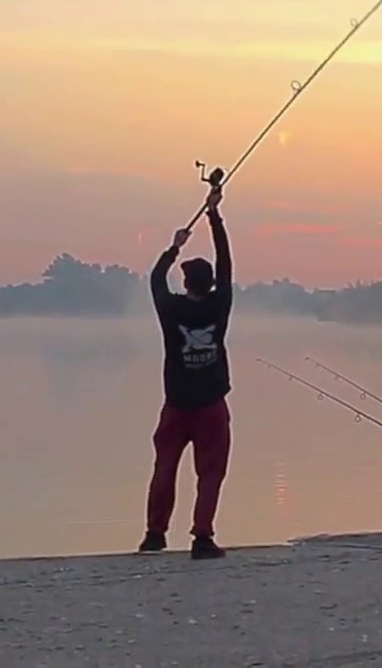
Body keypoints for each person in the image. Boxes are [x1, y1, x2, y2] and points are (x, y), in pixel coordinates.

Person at [139, 189, 234, 559]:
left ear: (186, 283)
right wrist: (215, 216)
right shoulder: (220, 302)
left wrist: (173, 247)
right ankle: (202, 538)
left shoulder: (170, 308)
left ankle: (154, 534)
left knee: (164, 467)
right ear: (209, 284)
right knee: (210, 473)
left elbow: (155, 280)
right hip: (210, 406)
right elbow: (226, 263)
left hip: (175, 406)